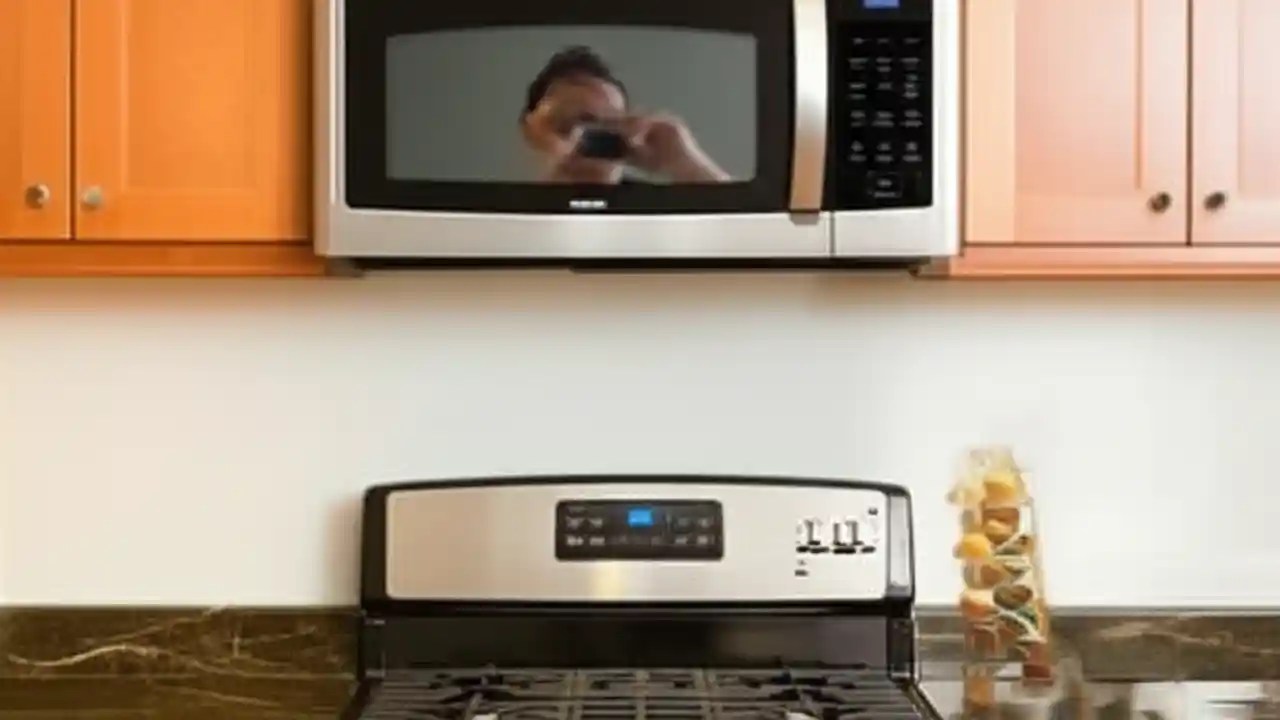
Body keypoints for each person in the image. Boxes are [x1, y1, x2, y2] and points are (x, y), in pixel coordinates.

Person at [519, 46, 730, 184]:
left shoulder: (652, 212)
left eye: (607, 133)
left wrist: (686, 163)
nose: (583, 146)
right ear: (529, 131)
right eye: (565, 127)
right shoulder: (495, 216)